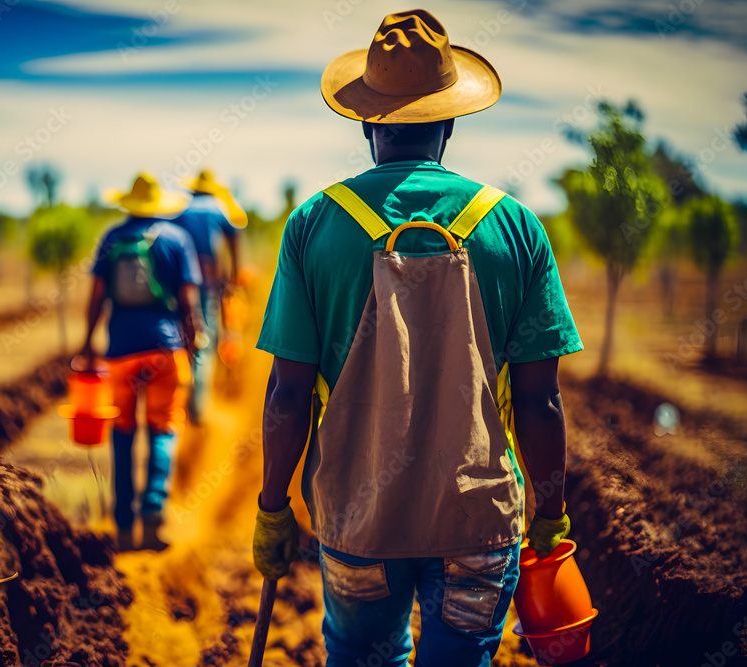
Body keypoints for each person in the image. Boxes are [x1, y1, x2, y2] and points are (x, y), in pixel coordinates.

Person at [251, 10, 582, 666]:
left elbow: (288, 393)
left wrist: (272, 507)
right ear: (451, 122)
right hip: (479, 524)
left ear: (368, 121)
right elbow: (540, 401)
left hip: (358, 519)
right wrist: (550, 515)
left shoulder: (313, 225)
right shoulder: (515, 226)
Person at [82, 172, 205, 551]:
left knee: (122, 435)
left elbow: (97, 297)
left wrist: (87, 344)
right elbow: (189, 300)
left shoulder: (112, 239)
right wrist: (194, 336)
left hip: (120, 352)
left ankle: (122, 524)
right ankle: (153, 512)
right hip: (164, 352)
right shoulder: (177, 239)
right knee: (163, 430)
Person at [172, 169, 246, 424]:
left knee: (184, 339)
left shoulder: (181, 211)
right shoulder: (218, 209)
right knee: (203, 342)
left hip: (182, 285)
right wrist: (235, 277)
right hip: (209, 284)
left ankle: (180, 399)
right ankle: (197, 408)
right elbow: (234, 237)